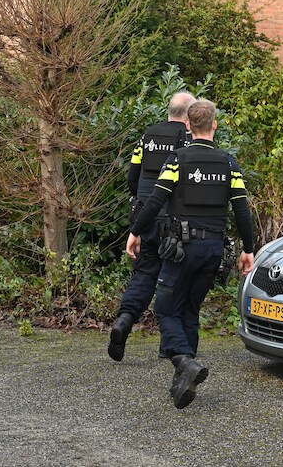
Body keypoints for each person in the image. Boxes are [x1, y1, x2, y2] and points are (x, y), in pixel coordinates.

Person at [125, 99, 255, 409]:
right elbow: (242, 210)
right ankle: (182, 382)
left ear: (188, 126)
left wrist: (136, 232)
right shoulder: (228, 164)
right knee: (190, 311)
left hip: (181, 249)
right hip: (212, 251)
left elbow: (155, 201)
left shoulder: (177, 161)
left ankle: (184, 363)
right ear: (214, 125)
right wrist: (249, 249)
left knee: (167, 310)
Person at [108, 91, 195, 362]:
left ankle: (124, 321)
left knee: (145, 273)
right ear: (190, 115)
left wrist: (144, 205)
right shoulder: (188, 140)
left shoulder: (147, 136)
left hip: (145, 216)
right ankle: (168, 345)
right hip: (173, 219)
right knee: (175, 280)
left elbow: (132, 176)